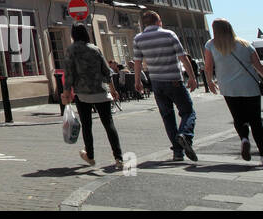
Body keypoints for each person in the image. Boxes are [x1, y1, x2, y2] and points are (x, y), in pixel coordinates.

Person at [205, 19, 263, 166]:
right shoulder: (245, 44)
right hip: (249, 87)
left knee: (238, 118)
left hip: (228, 88)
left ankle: (244, 138)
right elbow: (259, 67)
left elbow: (208, 67)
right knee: (256, 122)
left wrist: (210, 82)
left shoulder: (211, 45)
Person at [132, 10, 199, 162]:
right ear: (158, 21)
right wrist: (192, 77)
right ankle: (185, 135)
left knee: (167, 117)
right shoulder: (169, 34)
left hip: (156, 82)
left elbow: (137, 61)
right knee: (188, 111)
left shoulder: (138, 39)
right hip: (174, 79)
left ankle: (177, 152)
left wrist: (137, 81)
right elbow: (182, 56)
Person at [62, 25, 123, 169]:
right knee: (109, 124)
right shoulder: (95, 49)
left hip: (83, 93)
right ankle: (119, 157)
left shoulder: (71, 50)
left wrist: (66, 92)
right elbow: (107, 72)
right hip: (101, 91)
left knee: (87, 125)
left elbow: (69, 73)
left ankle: (90, 155)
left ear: (73, 35)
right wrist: (113, 90)